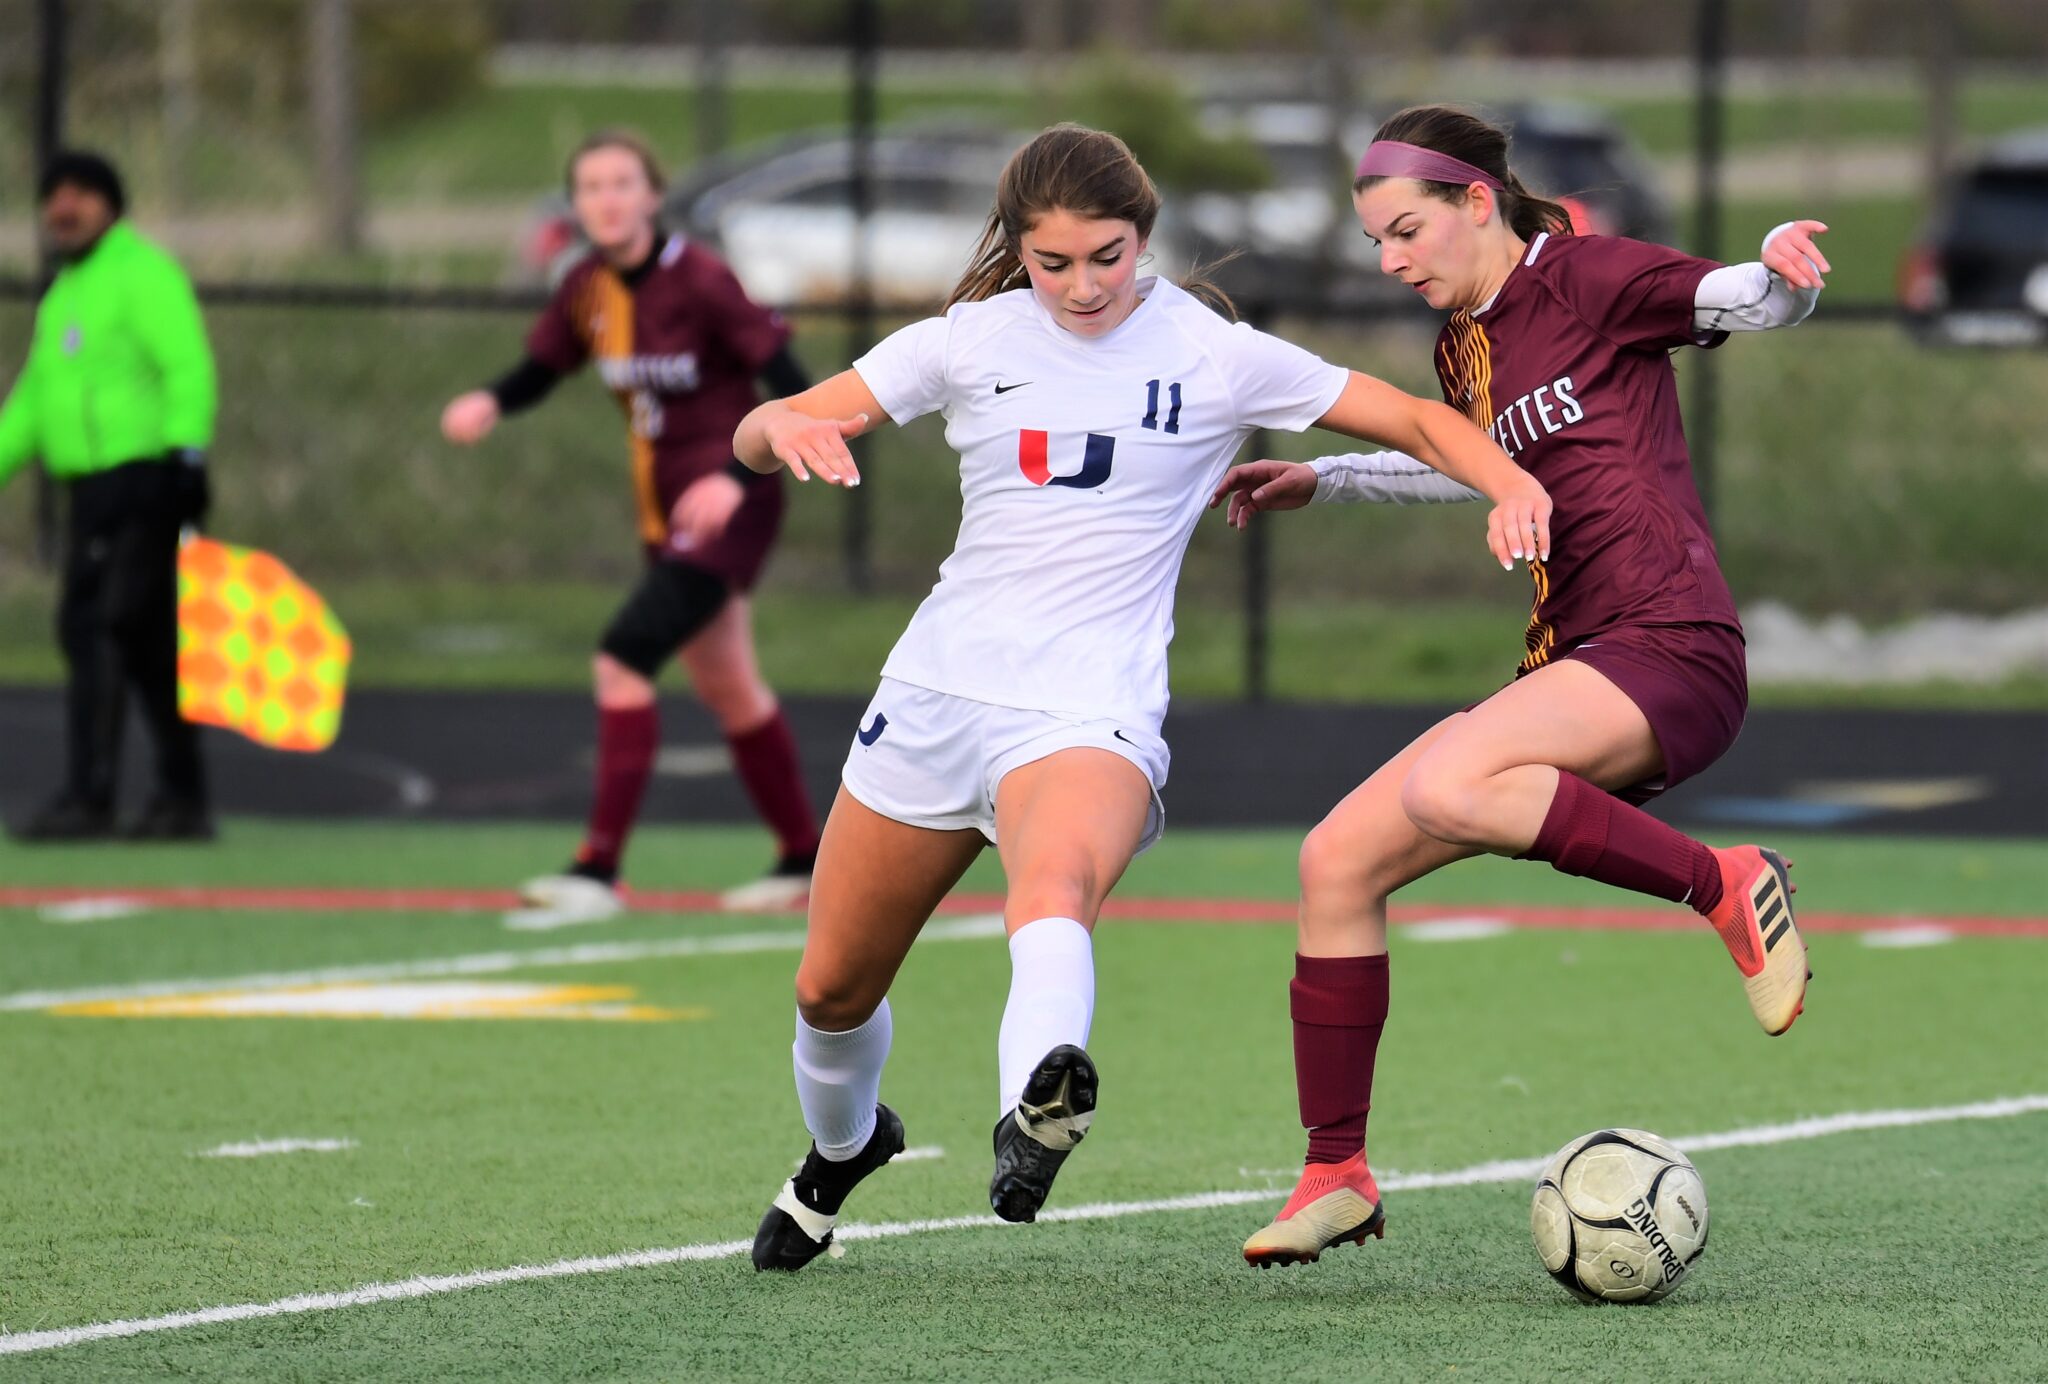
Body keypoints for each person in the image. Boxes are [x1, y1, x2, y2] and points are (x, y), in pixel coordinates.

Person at [731, 123, 1552, 1272]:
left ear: (1145, 236)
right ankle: (844, 1148)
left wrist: (1510, 483)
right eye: (1051, 262)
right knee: (829, 989)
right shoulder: (967, 340)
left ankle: (1033, 1108)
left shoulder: (1215, 354)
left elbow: (1417, 419)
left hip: (1088, 707)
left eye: (1106, 257)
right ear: (1017, 248)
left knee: (1053, 889)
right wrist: (780, 426)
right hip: (934, 694)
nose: (1081, 286)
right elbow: (763, 429)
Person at [1210, 105, 1829, 1268]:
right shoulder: (1462, 344)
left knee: (1449, 782)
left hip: (1670, 641)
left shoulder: (1584, 277)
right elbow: (1473, 466)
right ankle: (1335, 1172)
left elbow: (1743, 298)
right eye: (1376, 243)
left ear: (1475, 202)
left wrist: (1780, 270)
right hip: (1573, 659)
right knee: (1333, 861)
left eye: (1405, 233)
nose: (1389, 262)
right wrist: (1328, 479)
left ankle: (1725, 882)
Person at [440, 130, 822, 917]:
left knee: (622, 658)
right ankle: (805, 860)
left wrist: (734, 475)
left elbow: (793, 384)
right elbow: (545, 367)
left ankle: (597, 869)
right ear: (576, 204)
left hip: (731, 503)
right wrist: (490, 400)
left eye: (622, 183)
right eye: (591, 187)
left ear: (653, 195)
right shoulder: (587, 286)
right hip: (668, 514)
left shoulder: (702, 279)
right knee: (729, 684)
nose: (607, 199)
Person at [1, 151, 218, 842]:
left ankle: (90, 798)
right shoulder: (66, 293)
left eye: (80, 195)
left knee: (95, 625)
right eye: (54, 197)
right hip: (91, 489)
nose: (64, 209)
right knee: (144, 640)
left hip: (143, 480)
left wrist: (187, 452)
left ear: (111, 205)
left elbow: (185, 364)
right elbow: (34, 402)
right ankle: (181, 798)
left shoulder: (142, 273)